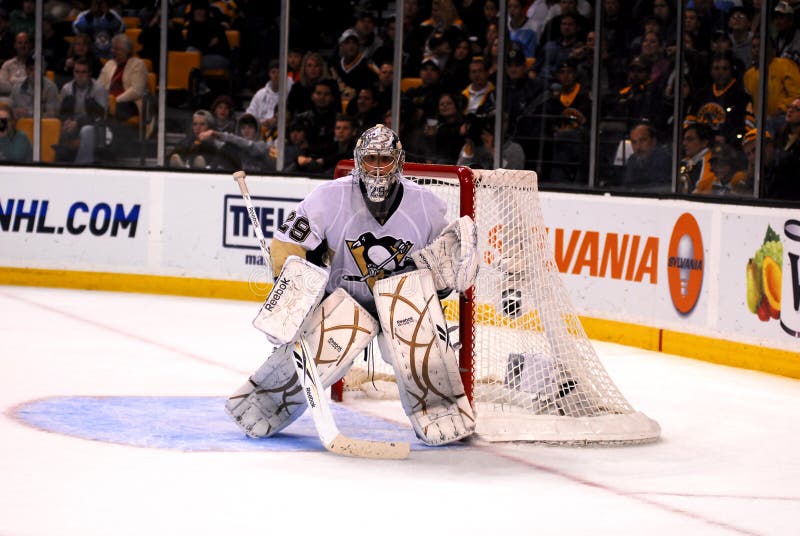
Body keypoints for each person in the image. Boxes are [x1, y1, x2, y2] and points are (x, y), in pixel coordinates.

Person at [225, 123, 477, 447]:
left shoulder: (426, 204)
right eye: (370, 158)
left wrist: (448, 271)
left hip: (401, 303)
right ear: (358, 160)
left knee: (416, 328)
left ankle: (442, 412)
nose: (376, 167)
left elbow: (448, 253)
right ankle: (261, 406)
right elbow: (286, 244)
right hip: (345, 302)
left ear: (399, 162)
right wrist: (293, 296)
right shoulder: (329, 197)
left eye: (384, 159)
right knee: (317, 354)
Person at [53, 57, 108, 164]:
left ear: (90, 73)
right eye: (77, 72)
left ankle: (83, 165)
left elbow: (101, 116)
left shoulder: (99, 89)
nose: (80, 75)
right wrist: (66, 121)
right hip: (72, 126)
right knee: (58, 126)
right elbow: (60, 113)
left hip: (93, 127)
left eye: (83, 72)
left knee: (86, 130)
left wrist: (77, 123)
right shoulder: (66, 89)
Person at [246, 59, 293, 133]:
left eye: (280, 72)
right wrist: (264, 123)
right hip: (260, 132)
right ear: (269, 74)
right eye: (273, 72)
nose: (276, 75)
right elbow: (249, 117)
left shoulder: (292, 93)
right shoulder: (260, 94)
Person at [622, 122, 671, 189]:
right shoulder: (632, 160)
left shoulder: (664, 160)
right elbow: (627, 186)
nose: (638, 147)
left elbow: (661, 188)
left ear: (653, 141)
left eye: (642, 140)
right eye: (634, 142)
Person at [679, 122, 717, 194]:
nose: (684, 143)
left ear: (704, 143)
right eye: (684, 139)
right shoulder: (688, 161)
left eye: (689, 139)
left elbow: (699, 193)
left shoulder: (709, 160)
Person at [0, 32, 31, 97]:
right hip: (10, 103)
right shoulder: (7, 65)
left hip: (30, 104)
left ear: (30, 45)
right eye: (20, 43)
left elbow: (35, 87)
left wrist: (12, 80)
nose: (23, 46)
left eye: (26, 43)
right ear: (15, 45)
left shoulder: (36, 65)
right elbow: (1, 86)